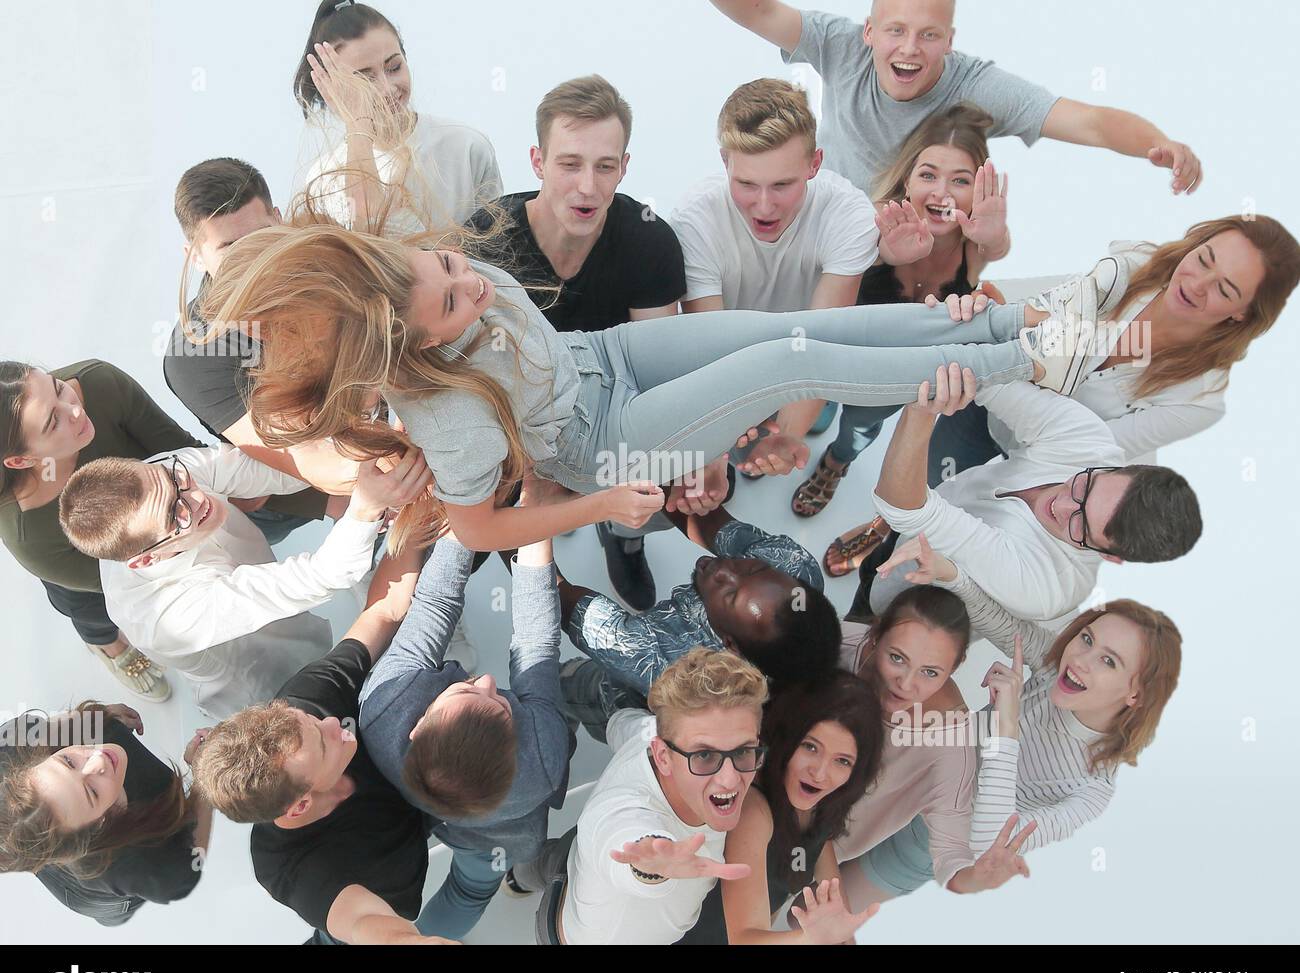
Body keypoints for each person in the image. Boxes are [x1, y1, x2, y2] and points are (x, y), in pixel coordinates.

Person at [202, 213, 1093, 558]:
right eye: (450, 299)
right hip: (613, 437)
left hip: (613, 357)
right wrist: (595, 509)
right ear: (415, 340)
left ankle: (998, 321)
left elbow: (341, 252)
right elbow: (476, 525)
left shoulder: (416, 273)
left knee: (801, 329)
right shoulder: (448, 415)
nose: (469, 282)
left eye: (447, 265)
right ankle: (1023, 361)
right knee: (794, 364)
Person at [849, 532, 1182, 894]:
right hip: (905, 771)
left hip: (927, 842)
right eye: (1087, 639)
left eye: (1108, 661)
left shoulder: (1090, 790)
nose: (1081, 661)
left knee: (817, 907)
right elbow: (999, 620)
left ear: (1136, 693)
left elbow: (991, 841)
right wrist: (947, 573)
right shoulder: (1053, 667)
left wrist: (1005, 728)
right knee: (806, 851)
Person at [466, 74, 687, 609]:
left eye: (605, 166)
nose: (588, 186)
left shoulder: (649, 239)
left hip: (611, 408)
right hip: (521, 419)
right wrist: (542, 470)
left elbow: (654, 372)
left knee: (661, 463)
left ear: (624, 168)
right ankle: (547, 578)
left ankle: (624, 541)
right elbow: (470, 374)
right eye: (570, 164)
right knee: (493, 507)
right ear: (538, 162)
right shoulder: (483, 242)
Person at [191, 544, 456, 945]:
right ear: (299, 805)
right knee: (467, 892)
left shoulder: (304, 703)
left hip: (428, 803)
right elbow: (364, 922)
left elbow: (382, 612)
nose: (334, 722)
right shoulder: (291, 869)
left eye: (313, 722)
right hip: (394, 897)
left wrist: (415, 522)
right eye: (323, 742)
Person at [58, 444, 428, 717]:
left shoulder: (160, 478)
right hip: (259, 679)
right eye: (178, 513)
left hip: (275, 603)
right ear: (147, 559)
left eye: (179, 481)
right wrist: (365, 506)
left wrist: (362, 462)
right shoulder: (169, 618)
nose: (198, 497)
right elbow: (320, 574)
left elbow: (266, 468)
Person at [922, 216, 1300, 483]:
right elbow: (1046, 307)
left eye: (1225, 289)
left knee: (941, 542)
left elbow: (1083, 446)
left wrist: (1007, 358)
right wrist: (997, 311)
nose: (1197, 284)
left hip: (1036, 469)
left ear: (1241, 314)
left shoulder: (1200, 400)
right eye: (1203, 259)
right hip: (983, 412)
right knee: (917, 497)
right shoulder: (1135, 266)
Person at [358, 479, 572, 940]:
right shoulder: (542, 755)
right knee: (474, 888)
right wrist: (537, 517)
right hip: (499, 838)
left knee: (467, 889)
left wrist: (468, 504)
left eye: (468, 693)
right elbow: (536, 645)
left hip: (417, 807)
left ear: (417, 727)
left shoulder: (384, 706)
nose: (490, 680)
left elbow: (436, 602)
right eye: (500, 703)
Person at [710, 0, 1203, 196]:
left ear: (949, 40)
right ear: (868, 33)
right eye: (896, 31)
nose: (908, 48)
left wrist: (1158, 143)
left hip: (917, 250)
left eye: (928, 36)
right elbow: (755, 9)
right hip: (833, 226)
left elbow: (1088, 120)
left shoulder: (976, 87)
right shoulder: (838, 44)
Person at [801, 102, 1009, 556]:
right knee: (812, 409)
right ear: (907, 178)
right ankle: (808, 425)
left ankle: (836, 462)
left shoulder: (973, 247)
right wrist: (886, 254)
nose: (943, 192)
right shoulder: (880, 216)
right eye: (929, 175)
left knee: (859, 427)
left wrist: (993, 233)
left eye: (961, 181)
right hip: (837, 350)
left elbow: (998, 242)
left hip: (891, 375)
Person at [858, 360, 1202, 623]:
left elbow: (906, 509)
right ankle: (878, 542)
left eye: (1080, 526)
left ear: (1109, 555)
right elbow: (986, 373)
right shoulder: (1092, 444)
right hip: (928, 513)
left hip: (904, 606)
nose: (1063, 505)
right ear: (1114, 466)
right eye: (1085, 486)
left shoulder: (1048, 588)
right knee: (885, 547)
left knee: (870, 608)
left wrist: (921, 409)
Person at [672, 76, 878, 474]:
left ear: (815, 164)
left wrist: (785, 438)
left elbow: (823, 340)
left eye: (782, 185)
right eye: (746, 184)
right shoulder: (694, 219)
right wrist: (717, 451)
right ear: (724, 162)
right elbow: (711, 350)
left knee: (815, 421)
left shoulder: (849, 214)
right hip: (733, 359)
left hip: (806, 359)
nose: (763, 206)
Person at [511, 648, 768, 945]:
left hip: (581, 853)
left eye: (743, 750)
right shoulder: (622, 810)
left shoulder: (651, 733)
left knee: (549, 860)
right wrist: (649, 866)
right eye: (705, 755)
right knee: (538, 864)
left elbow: (623, 724)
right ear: (662, 756)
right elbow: (626, 835)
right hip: (567, 931)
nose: (730, 778)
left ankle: (519, 875)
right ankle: (518, 874)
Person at [1, 359, 210, 700]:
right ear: (21, 461)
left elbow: (182, 449)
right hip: (94, 565)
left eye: (58, 388)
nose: (74, 410)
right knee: (90, 607)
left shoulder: (98, 384)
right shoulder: (28, 532)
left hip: (167, 501)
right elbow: (118, 583)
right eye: (53, 421)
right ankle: (106, 644)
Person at [165, 156, 357, 515]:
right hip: (277, 491)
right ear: (194, 257)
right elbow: (313, 462)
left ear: (280, 220)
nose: (253, 257)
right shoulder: (194, 354)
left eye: (261, 237)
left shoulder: (330, 259)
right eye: (230, 248)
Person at [555, 502, 840, 743]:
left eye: (729, 594)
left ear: (730, 644)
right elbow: (693, 511)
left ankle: (557, 714)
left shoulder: (667, 668)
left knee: (568, 686)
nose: (724, 568)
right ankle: (622, 534)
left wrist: (520, 518)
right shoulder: (793, 568)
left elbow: (550, 589)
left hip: (623, 695)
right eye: (753, 566)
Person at [834, 585, 1036, 907]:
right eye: (897, 658)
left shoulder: (949, 744)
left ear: (953, 670)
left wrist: (976, 878)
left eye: (930, 672)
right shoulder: (843, 644)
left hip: (815, 848)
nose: (906, 683)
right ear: (875, 637)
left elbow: (951, 849)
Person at [677, 674, 885, 944]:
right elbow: (744, 939)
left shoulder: (820, 812)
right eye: (810, 747)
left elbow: (838, 921)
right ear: (786, 739)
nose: (820, 773)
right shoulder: (754, 811)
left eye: (842, 761)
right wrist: (810, 938)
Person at [297, 0, 501, 234]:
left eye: (394, 67)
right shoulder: (323, 181)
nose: (387, 88)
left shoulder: (467, 147)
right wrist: (357, 125)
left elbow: (494, 254)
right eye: (365, 78)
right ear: (332, 86)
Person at [0, 703, 211, 926]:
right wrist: (205, 783)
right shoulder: (143, 866)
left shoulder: (11, 744)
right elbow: (190, 864)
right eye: (91, 791)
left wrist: (97, 717)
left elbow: (54, 726)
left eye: (67, 761)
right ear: (100, 823)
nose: (98, 758)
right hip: (90, 896)